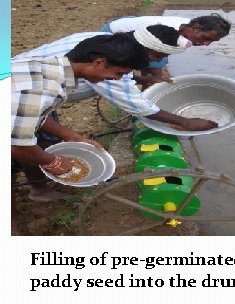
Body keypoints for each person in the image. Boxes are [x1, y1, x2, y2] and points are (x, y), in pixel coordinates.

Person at [11, 34, 148, 231]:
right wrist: (54, 162)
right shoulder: (45, 87)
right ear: (99, 62)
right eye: (118, 73)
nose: (116, 79)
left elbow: (31, 113)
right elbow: (17, 145)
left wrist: (72, 136)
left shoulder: (50, 67)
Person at [13, 26, 218, 132]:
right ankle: (35, 190)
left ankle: (37, 186)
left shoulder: (102, 40)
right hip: (25, 92)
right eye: (155, 57)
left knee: (37, 131)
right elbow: (138, 106)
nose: (154, 63)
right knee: (26, 142)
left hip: (20, 78)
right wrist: (185, 121)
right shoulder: (109, 66)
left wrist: (142, 79)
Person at [100, 14, 231, 84]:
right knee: (118, 71)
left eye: (211, 42)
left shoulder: (185, 29)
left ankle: (146, 101)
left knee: (156, 77)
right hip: (115, 32)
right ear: (195, 27)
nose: (206, 44)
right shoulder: (164, 31)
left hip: (140, 31)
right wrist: (142, 79)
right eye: (205, 37)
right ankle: (143, 110)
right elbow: (132, 62)